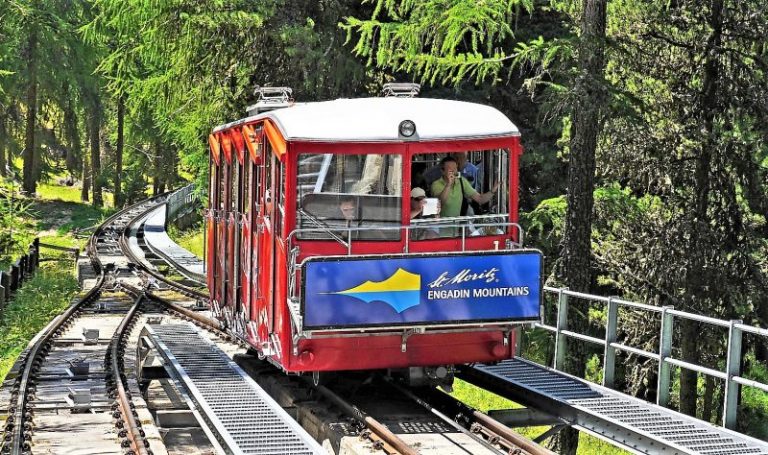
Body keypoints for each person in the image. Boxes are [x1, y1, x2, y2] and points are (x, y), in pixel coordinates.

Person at [430, 156, 498, 218]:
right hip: (440, 227)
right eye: (451, 170)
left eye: (455, 168)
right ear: (443, 171)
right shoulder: (436, 184)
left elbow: (480, 199)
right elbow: (439, 203)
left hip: (456, 226)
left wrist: (493, 190)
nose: (454, 172)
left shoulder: (461, 181)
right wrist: (448, 185)